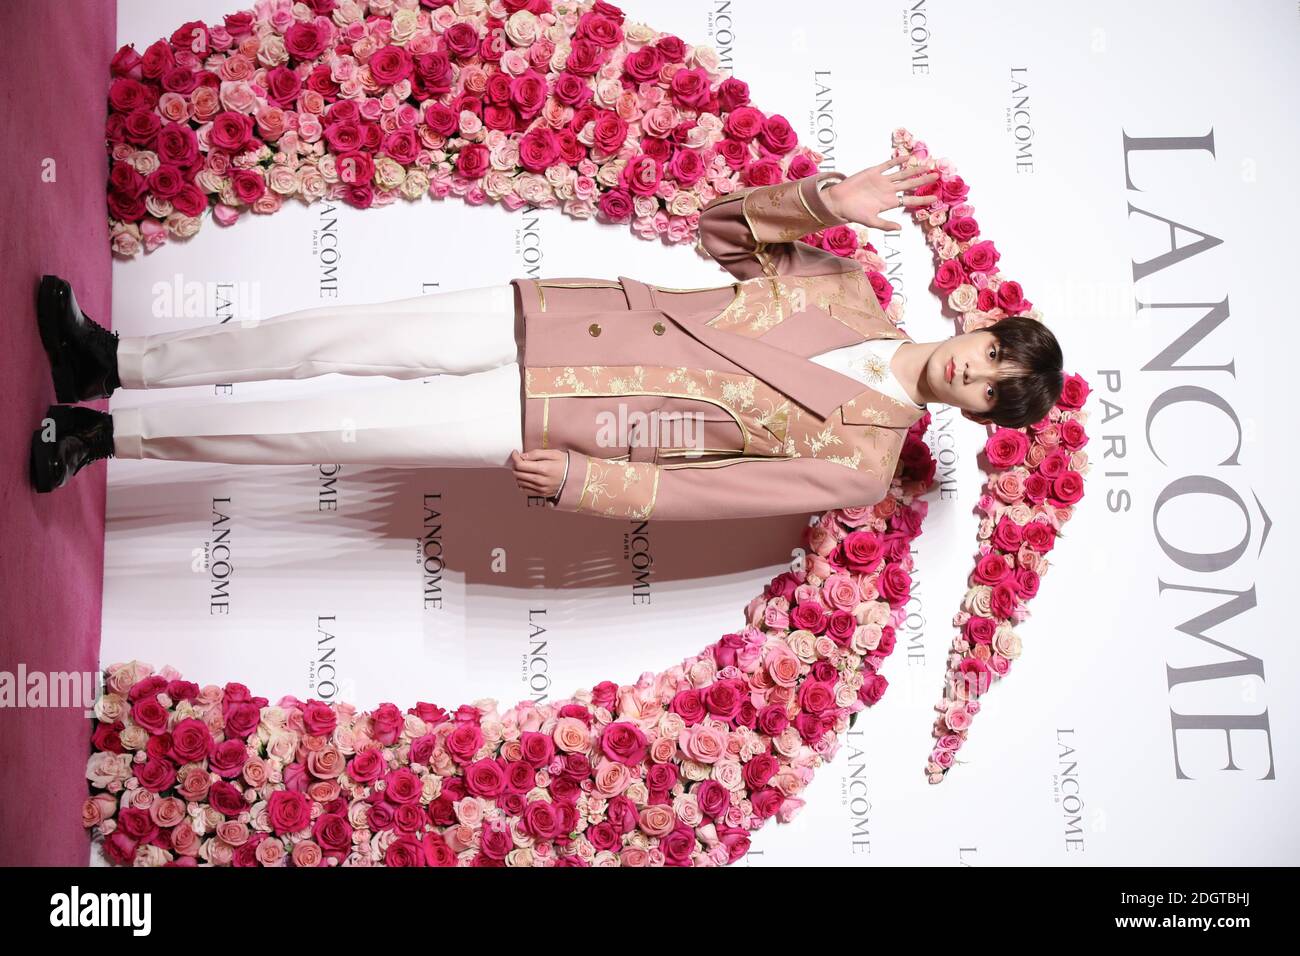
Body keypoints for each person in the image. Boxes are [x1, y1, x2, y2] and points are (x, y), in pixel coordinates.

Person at [29, 155, 1064, 519]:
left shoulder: (859, 460)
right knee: (323, 336)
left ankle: (102, 440)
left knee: (321, 432)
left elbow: (717, 491)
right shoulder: (847, 286)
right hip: (560, 313)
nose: (975, 374)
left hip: (567, 417)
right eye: (992, 354)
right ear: (978, 324)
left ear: (975, 416)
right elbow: (717, 229)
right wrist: (824, 195)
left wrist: (587, 483)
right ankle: (114, 362)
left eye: (988, 392)